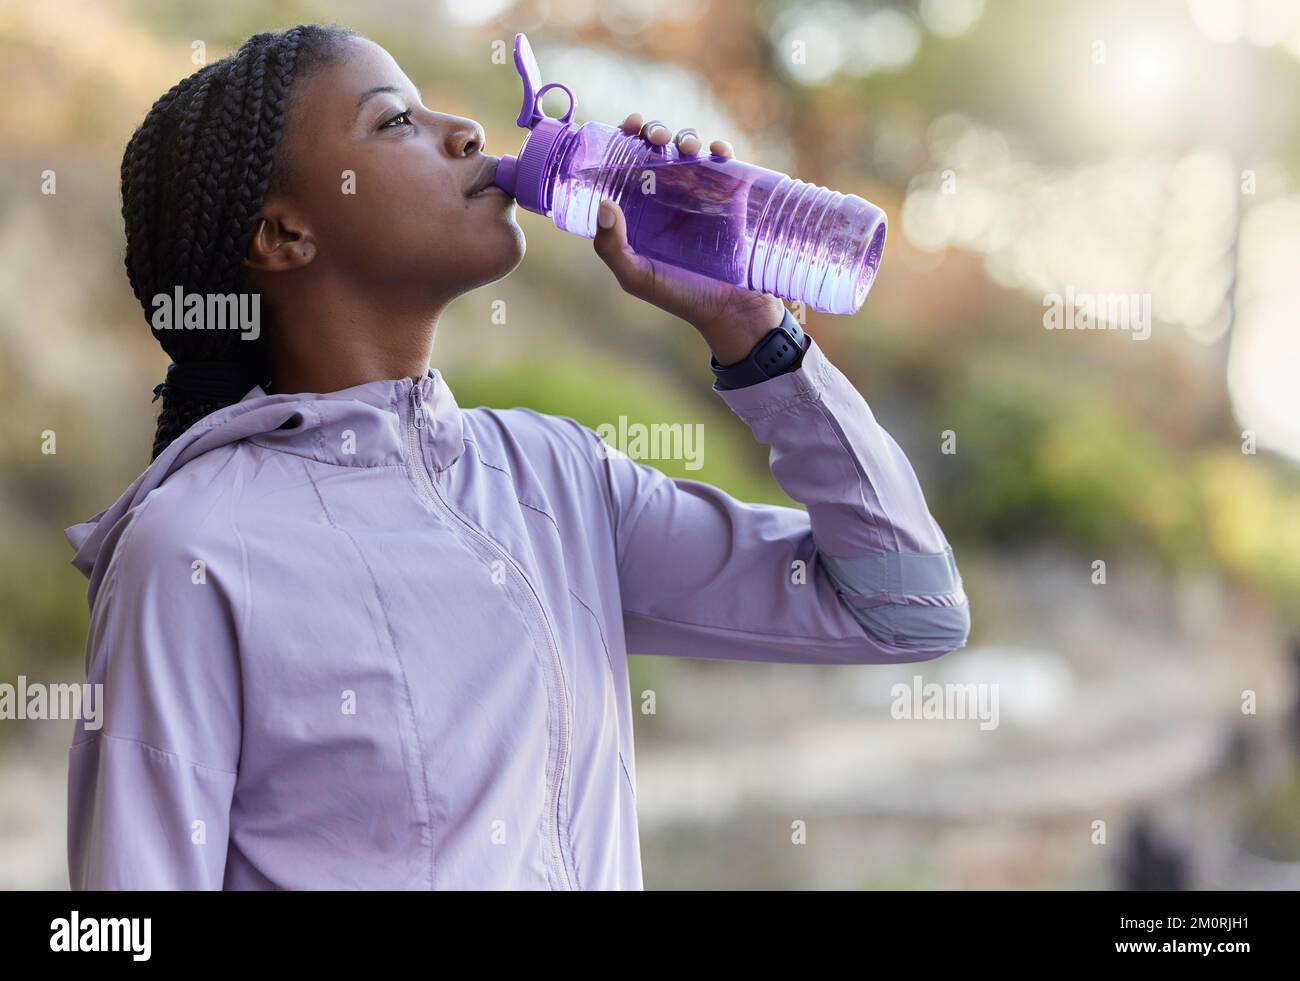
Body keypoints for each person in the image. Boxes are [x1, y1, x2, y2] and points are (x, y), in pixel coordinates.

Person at [65, 23, 970, 890]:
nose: (462, 130)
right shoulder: (191, 551)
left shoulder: (556, 479)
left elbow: (905, 609)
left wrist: (752, 331)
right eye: (394, 122)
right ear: (285, 234)